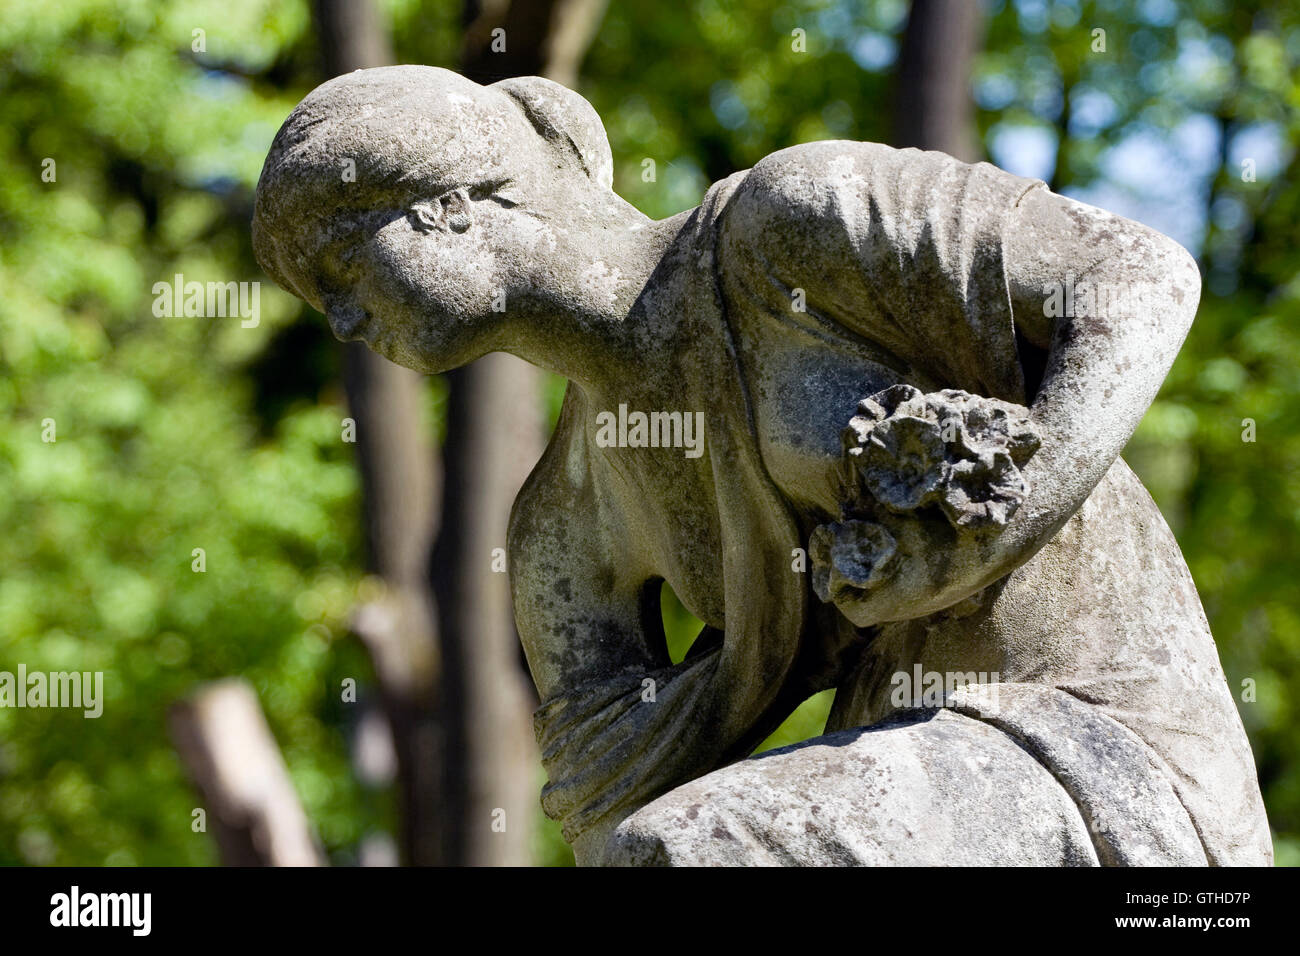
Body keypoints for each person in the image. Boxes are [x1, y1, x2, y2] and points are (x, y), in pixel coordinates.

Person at [253, 65, 1271, 866]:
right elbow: (605, 816)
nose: (343, 322)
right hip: (900, 789)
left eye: (342, 270)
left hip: (1099, 753)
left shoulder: (790, 223)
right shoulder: (561, 528)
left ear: (448, 204)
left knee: (704, 849)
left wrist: (1003, 516)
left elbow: (1138, 274)